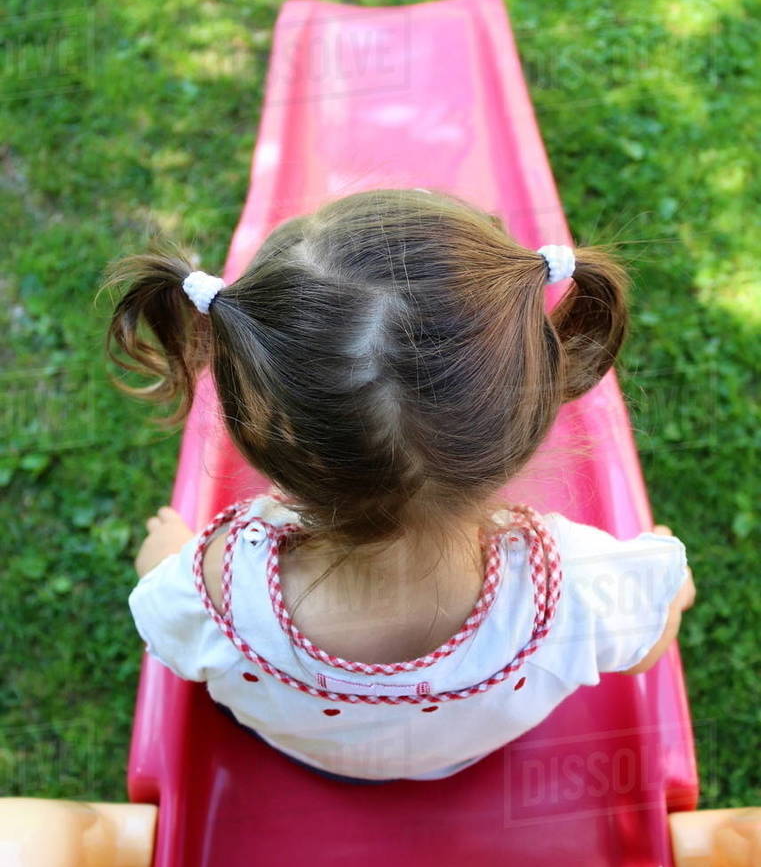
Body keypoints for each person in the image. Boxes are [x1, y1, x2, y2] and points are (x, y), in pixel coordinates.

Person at [99, 188, 696, 784]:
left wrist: (166, 558)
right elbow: (646, 645)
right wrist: (672, 591)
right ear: (523, 428)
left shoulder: (216, 584)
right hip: (469, 754)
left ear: (265, 446)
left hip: (306, 753)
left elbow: (168, 631)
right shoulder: (576, 586)